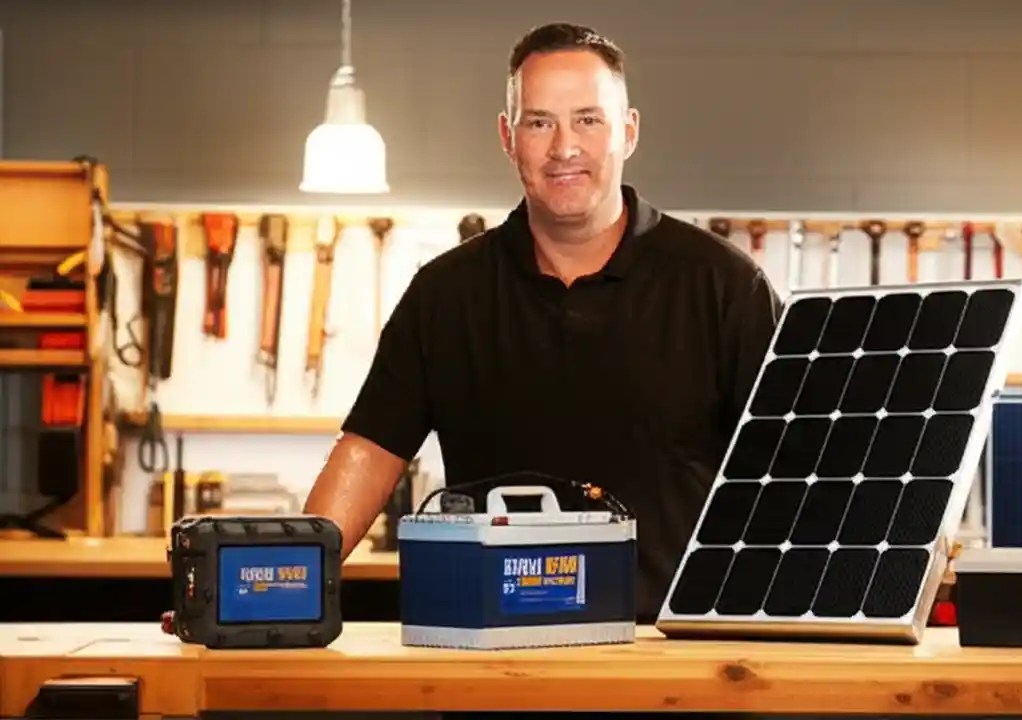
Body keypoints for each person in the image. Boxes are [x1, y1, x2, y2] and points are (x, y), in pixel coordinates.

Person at [304, 21, 780, 632]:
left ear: (627, 132)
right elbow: (369, 451)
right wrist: (284, 585)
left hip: (669, 653)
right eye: (539, 122)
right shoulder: (446, 294)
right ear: (508, 137)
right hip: (490, 650)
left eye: (588, 119)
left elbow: (788, 472)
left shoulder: (723, 285)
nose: (564, 148)